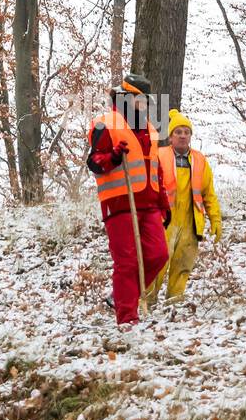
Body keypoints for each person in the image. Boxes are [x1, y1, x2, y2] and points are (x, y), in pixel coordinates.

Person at [86, 73, 170, 326]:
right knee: (127, 262)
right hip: (119, 203)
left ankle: (122, 294)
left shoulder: (151, 130)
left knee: (158, 254)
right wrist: (112, 157)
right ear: (127, 98)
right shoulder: (104, 124)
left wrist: (164, 204)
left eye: (146, 101)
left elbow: (156, 169)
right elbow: (94, 162)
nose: (145, 105)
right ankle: (127, 318)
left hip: (149, 203)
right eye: (141, 100)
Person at [148, 109, 222, 304]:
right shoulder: (158, 155)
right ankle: (147, 303)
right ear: (170, 137)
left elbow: (209, 194)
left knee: (183, 266)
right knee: (156, 264)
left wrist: (215, 219)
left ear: (190, 136)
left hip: (191, 223)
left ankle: (174, 304)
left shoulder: (200, 160)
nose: (182, 136)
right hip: (164, 221)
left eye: (186, 132)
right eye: (178, 132)